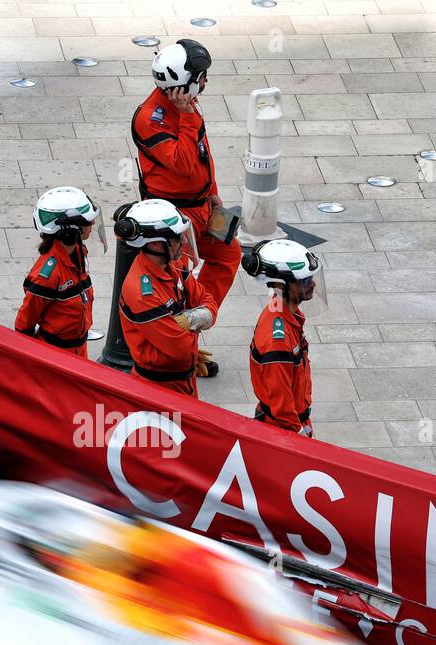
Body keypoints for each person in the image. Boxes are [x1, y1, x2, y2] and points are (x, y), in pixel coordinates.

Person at [131, 39, 241, 329]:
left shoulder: (185, 104)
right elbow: (183, 162)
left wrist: (214, 194)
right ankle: (179, 334)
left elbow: (204, 151)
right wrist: (187, 118)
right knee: (177, 276)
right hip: (175, 215)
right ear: (183, 83)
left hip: (201, 205)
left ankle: (196, 320)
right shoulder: (150, 118)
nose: (205, 81)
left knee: (228, 253)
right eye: (201, 76)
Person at [115, 198, 217, 397]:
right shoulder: (142, 293)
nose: (184, 241)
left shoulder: (174, 265)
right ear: (155, 244)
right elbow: (181, 348)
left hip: (183, 379)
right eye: (177, 237)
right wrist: (194, 326)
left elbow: (208, 301)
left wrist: (180, 323)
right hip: (158, 391)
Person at [243, 239, 322, 437]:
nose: (312, 284)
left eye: (310, 277)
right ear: (280, 284)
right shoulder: (277, 339)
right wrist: (298, 435)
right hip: (283, 429)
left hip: (295, 421)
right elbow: (281, 401)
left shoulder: (283, 311)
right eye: (304, 280)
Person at [14, 187, 104, 358]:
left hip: (79, 349)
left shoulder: (78, 253)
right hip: (56, 357)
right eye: (86, 222)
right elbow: (24, 323)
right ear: (69, 229)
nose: (92, 224)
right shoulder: (46, 274)